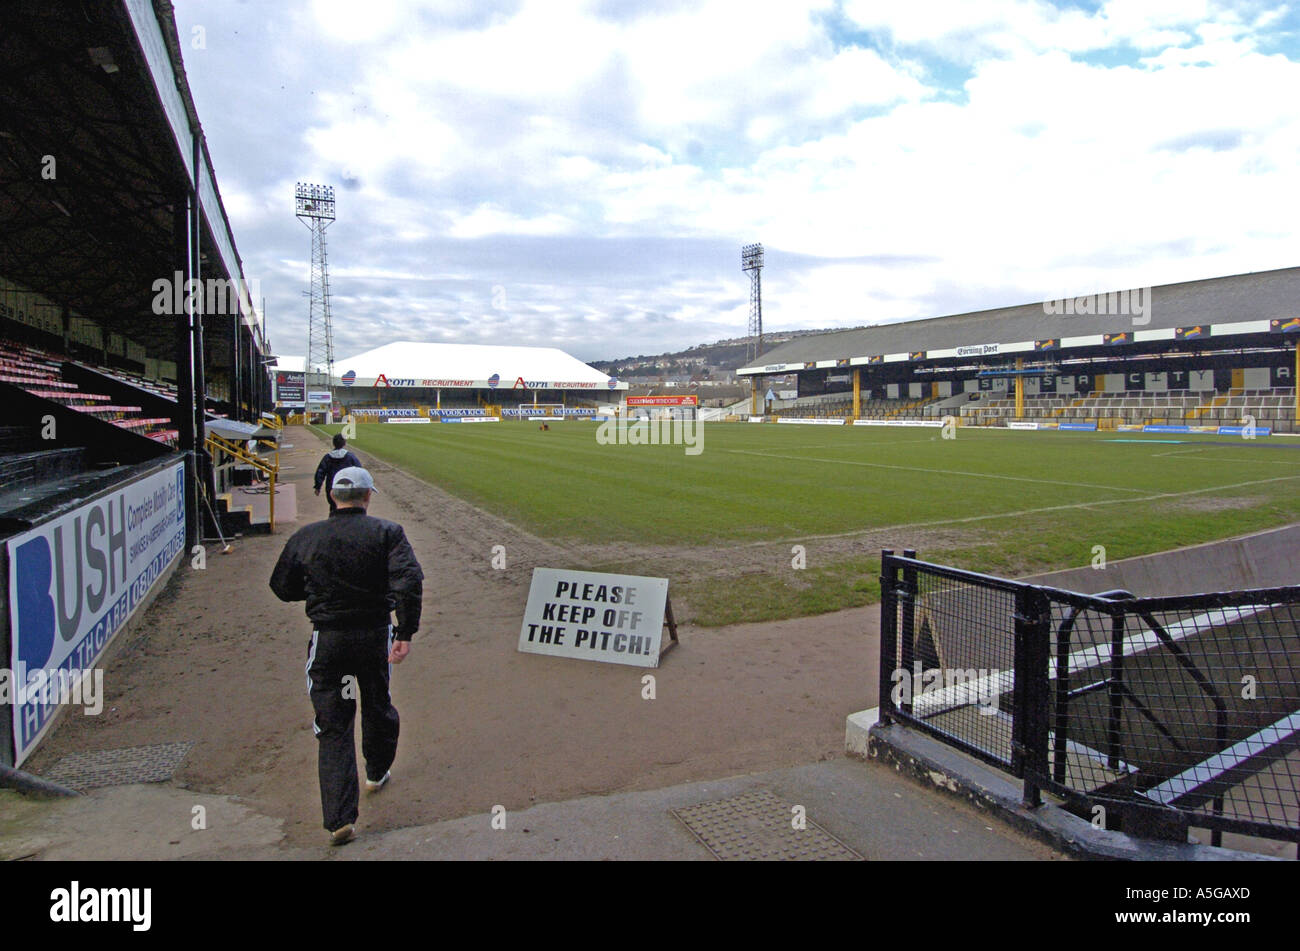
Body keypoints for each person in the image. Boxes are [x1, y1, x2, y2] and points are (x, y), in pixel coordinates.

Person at [269, 466, 425, 846]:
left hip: (330, 640)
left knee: (333, 724)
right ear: (368, 496)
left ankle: (340, 818)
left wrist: (320, 593)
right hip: (374, 634)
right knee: (377, 702)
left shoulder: (308, 536)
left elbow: (282, 586)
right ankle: (377, 770)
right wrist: (404, 631)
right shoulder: (387, 532)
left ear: (332, 497)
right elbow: (409, 581)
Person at [314, 433, 361, 511]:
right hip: (347, 486)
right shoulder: (350, 456)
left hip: (332, 487)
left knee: (334, 508)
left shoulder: (327, 457)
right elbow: (359, 471)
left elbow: (320, 472)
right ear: (344, 443)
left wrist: (317, 486)